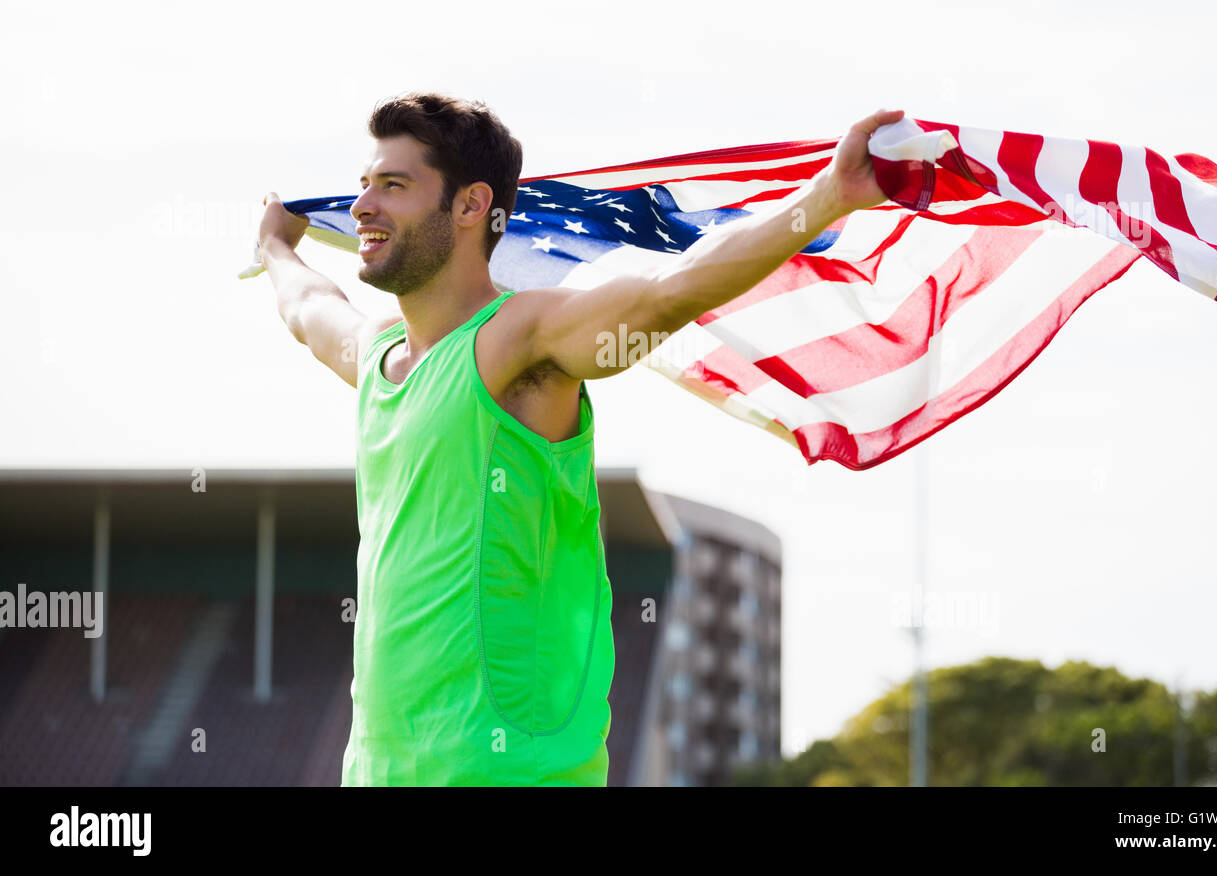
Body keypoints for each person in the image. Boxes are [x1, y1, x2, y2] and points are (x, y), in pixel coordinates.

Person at [257, 92, 903, 785]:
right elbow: (307, 308)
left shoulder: (521, 339)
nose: (361, 208)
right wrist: (273, 246)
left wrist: (828, 196)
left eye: (393, 185)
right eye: (363, 186)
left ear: (472, 206)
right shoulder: (377, 358)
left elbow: (666, 294)